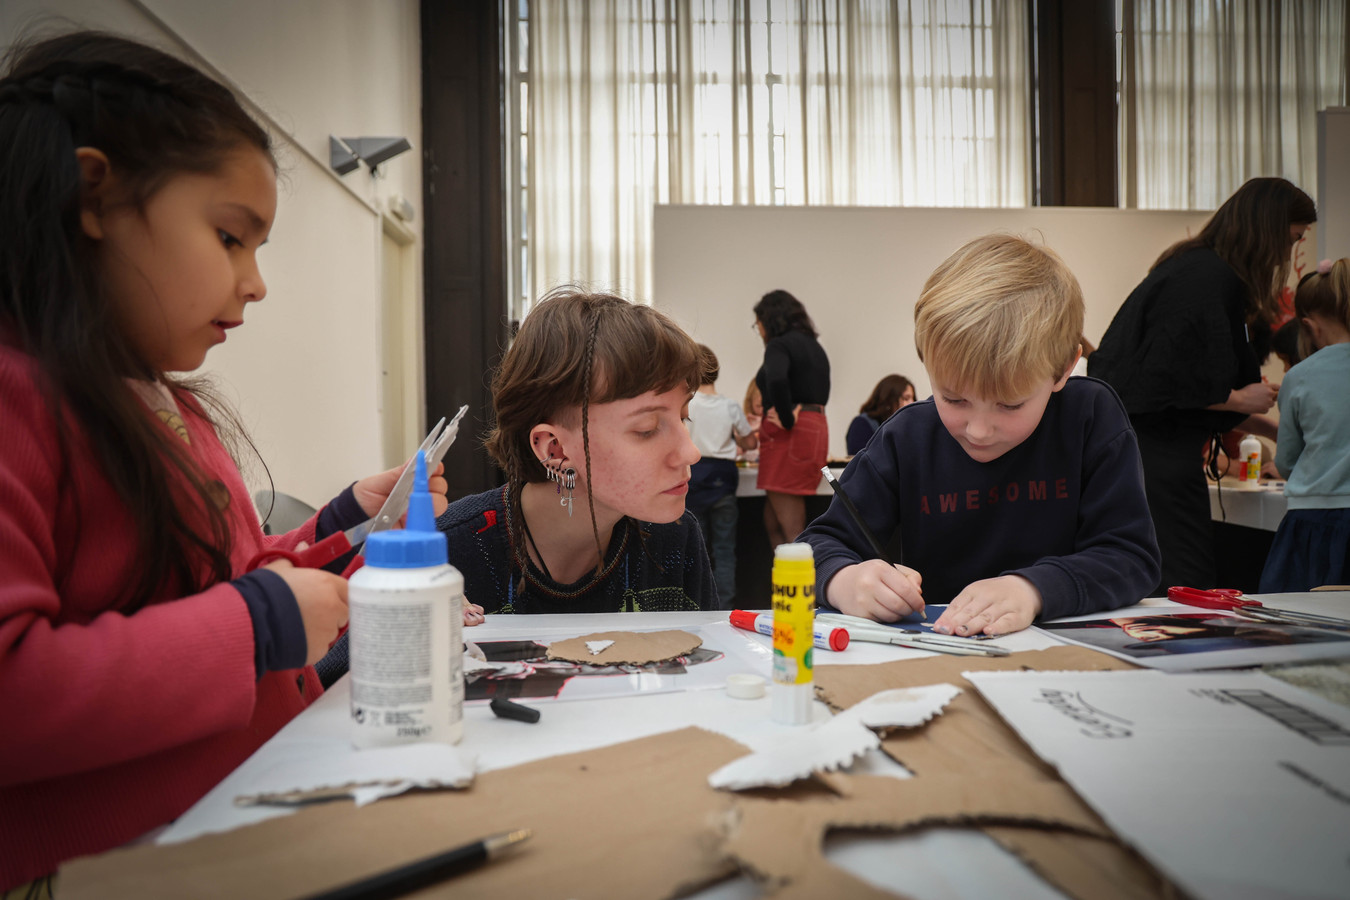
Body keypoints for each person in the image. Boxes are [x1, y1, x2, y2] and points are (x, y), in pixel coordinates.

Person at [0, 32, 449, 892]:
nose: (255, 282)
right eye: (230, 237)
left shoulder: (171, 406)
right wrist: (258, 623)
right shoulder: (20, 398)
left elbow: (222, 584)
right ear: (93, 195)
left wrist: (341, 524)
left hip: (239, 827)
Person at [799, 235, 1160, 638]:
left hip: (1069, 657)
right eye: (953, 398)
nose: (978, 430)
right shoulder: (907, 437)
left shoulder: (1090, 417)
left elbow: (1131, 557)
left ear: (1063, 370)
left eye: (1009, 405)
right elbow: (814, 546)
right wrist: (845, 580)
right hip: (940, 656)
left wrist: (1033, 589)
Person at [1090, 177, 1316, 593]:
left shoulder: (1196, 269)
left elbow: (1179, 390)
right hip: (1158, 460)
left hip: (1159, 455)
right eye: (1291, 238)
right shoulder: (1206, 278)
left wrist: (1266, 424)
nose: (1289, 251)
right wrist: (1235, 399)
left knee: (1183, 574)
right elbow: (1159, 382)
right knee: (1183, 580)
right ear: (1267, 230)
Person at [438, 288, 717, 614]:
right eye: (647, 429)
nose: (690, 452)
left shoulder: (674, 537)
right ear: (554, 450)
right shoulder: (445, 552)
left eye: (684, 417)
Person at [1259, 258, 1350, 592]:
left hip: (1314, 518)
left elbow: (1286, 462)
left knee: (1299, 618)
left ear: (1309, 327)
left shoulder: (1299, 377)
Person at [753, 289, 831, 547]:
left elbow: (776, 378)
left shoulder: (780, 344)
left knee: (792, 530)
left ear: (769, 320)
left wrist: (786, 418)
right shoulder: (814, 346)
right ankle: (784, 583)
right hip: (814, 427)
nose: (759, 330)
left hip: (790, 435)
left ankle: (803, 586)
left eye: (758, 324)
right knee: (772, 520)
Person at [687, 344, 758, 605]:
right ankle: (724, 606)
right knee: (725, 550)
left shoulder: (689, 405)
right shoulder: (729, 406)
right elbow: (751, 444)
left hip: (694, 477)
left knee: (697, 549)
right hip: (724, 480)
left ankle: (699, 604)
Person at [846, 374, 915, 455]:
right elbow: (860, 462)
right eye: (906, 398)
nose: (912, 403)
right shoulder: (861, 424)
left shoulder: (909, 427)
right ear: (889, 400)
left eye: (913, 398)